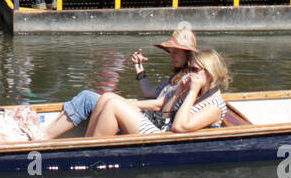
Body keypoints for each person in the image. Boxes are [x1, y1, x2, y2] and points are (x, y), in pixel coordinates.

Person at [42, 26, 200, 139]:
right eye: (171, 52)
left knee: (102, 99)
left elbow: (160, 104)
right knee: (88, 97)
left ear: (188, 55)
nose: (172, 56)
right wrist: (139, 68)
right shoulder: (176, 77)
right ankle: (47, 135)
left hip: (152, 122)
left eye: (176, 53)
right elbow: (150, 93)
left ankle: (50, 138)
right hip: (146, 116)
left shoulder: (188, 79)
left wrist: (129, 104)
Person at [84, 49, 230, 138]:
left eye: (195, 70)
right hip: (160, 127)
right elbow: (166, 114)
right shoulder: (195, 91)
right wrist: (179, 93)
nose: (191, 74)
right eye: (190, 69)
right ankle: (86, 142)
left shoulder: (214, 105)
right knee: (107, 97)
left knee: (113, 104)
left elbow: (180, 127)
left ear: (210, 73)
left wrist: (192, 92)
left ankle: (90, 150)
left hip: (163, 138)